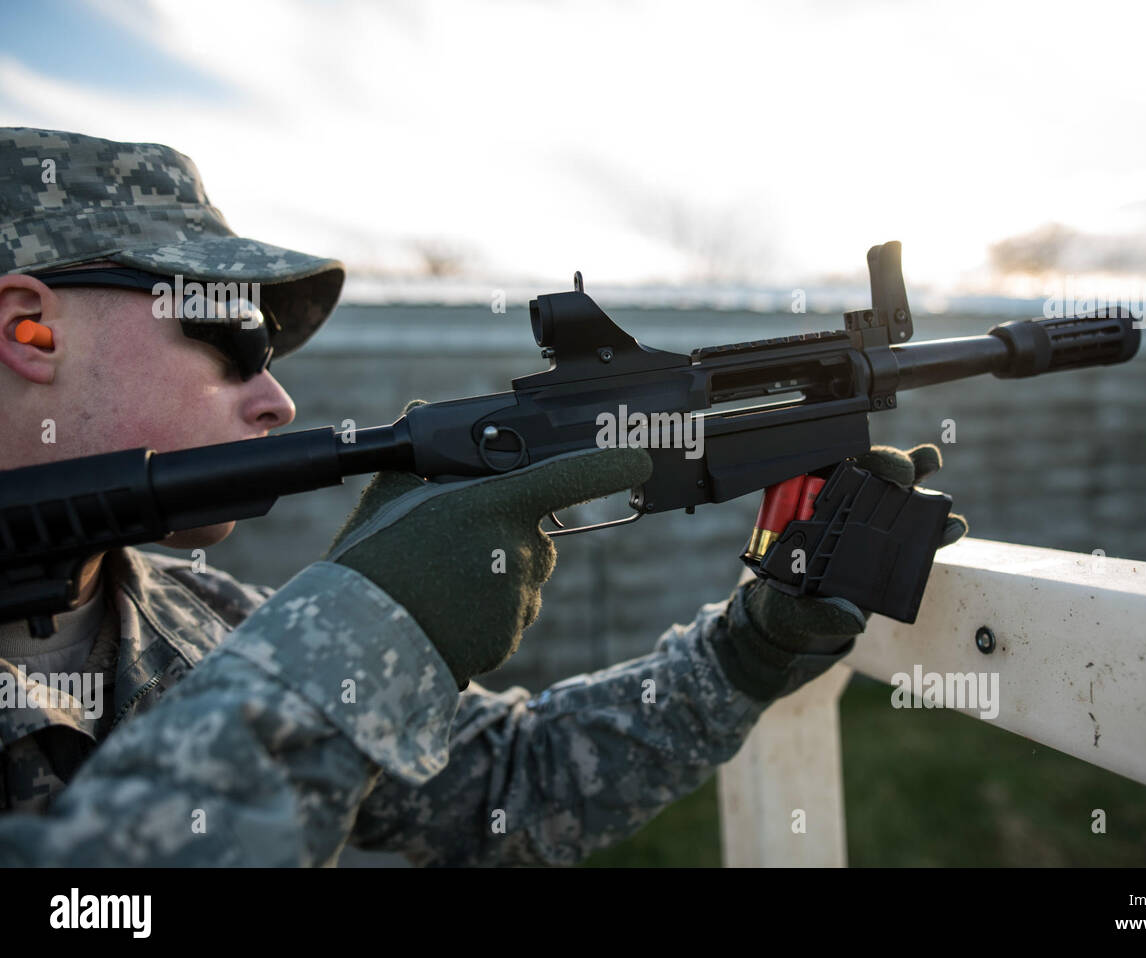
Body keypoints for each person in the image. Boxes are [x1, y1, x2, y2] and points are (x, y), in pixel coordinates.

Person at [0, 127, 965, 866]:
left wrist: (751, 648)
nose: (277, 395)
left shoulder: (192, 619)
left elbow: (514, 783)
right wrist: (367, 631)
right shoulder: (253, 639)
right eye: (231, 335)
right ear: (31, 330)